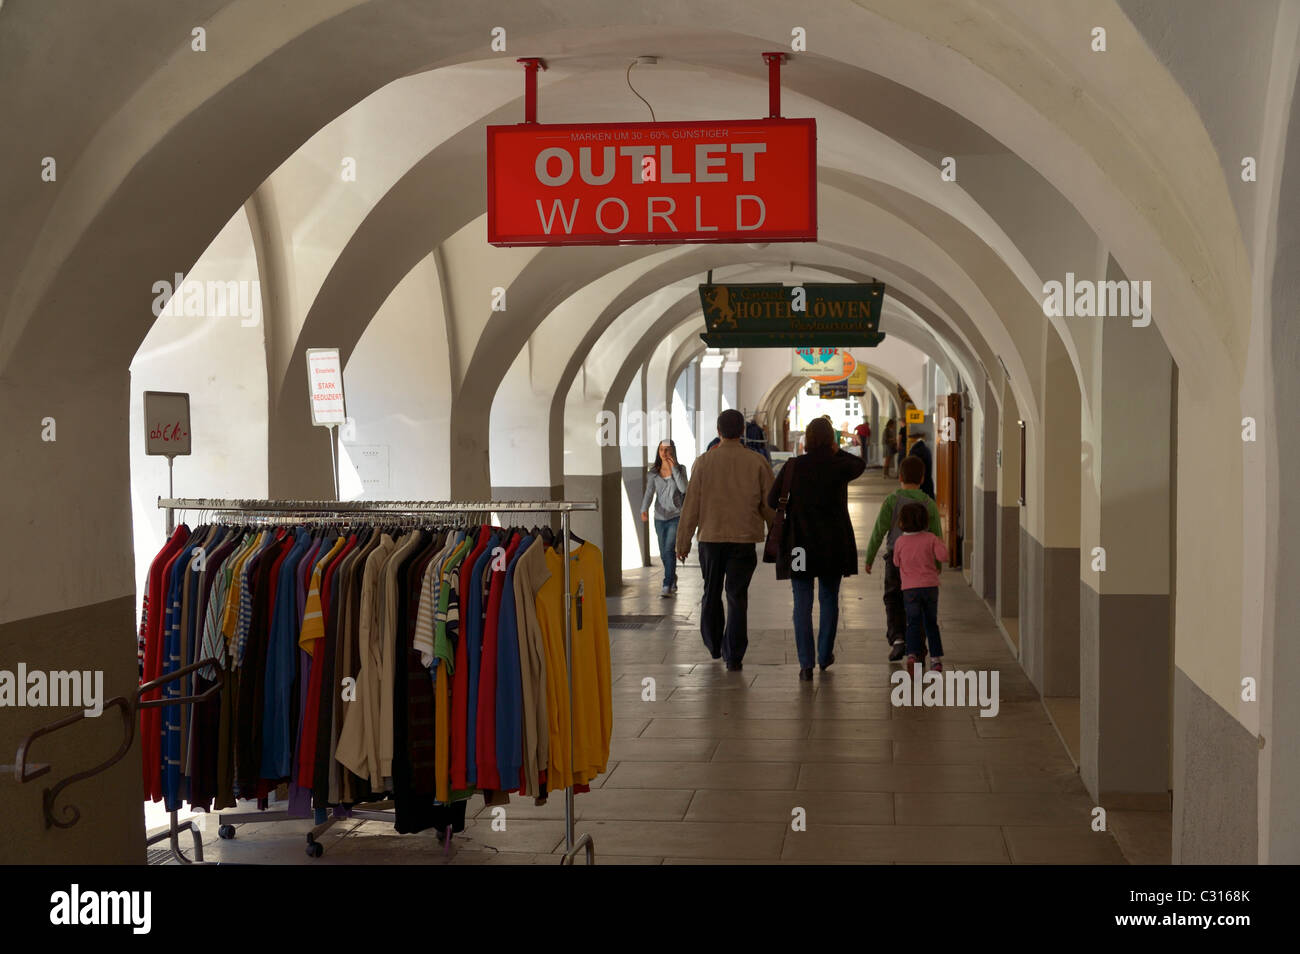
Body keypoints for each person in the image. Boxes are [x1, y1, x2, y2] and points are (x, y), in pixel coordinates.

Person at [677, 409, 775, 671]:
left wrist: (683, 541)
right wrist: (777, 533)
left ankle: (713, 644)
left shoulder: (704, 462)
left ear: (718, 432)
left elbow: (691, 504)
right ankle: (734, 654)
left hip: (711, 538)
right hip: (743, 539)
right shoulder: (757, 462)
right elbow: (770, 505)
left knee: (711, 591)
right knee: (737, 596)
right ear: (743, 431)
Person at [767, 417, 865, 681]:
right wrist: (837, 449)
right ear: (830, 441)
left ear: (806, 440)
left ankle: (805, 663)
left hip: (800, 545)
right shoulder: (839, 465)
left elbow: (771, 499)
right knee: (829, 598)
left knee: (802, 601)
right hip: (832, 544)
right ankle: (824, 655)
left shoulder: (792, 467)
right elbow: (860, 464)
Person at [863, 455, 943, 662]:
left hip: (895, 561)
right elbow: (937, 536)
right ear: (923, 478)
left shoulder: (892, 501)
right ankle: (918, 648)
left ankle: (897, 638)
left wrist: (869, 557)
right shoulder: (929, 503)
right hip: (922, 565)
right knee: (921, 605)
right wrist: (936, 565)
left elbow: (879, 531)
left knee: (893, 598)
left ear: (899, 476)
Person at [892, 501, 949, 673]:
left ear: (902, 522)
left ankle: (911, 655)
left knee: (913, 623)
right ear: (926, 521)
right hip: (930, 588)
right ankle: (935, 660)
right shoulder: (931, 539)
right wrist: (939, 542)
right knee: (931, 623)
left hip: (910, 590)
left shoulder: (900, 541)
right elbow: (944, 557)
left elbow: (896, 562)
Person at [641, 439, 690, 597]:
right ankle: (672, 577)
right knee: (663, 552)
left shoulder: (681, 469)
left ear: (673, 451)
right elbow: (649, 493)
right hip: (659, 517)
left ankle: (667, 583)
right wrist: (644, 509)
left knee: (669, 549)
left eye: (667, 450)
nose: (664, 453)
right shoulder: (653, 472)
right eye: (661, 449)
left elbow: (684, 488)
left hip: (676, 515)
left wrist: (674, 468)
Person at [908, 423, 935, 499]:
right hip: (928, 485)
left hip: (919, 488)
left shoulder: (916, 451)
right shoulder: (926, 449)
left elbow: (912, 471)